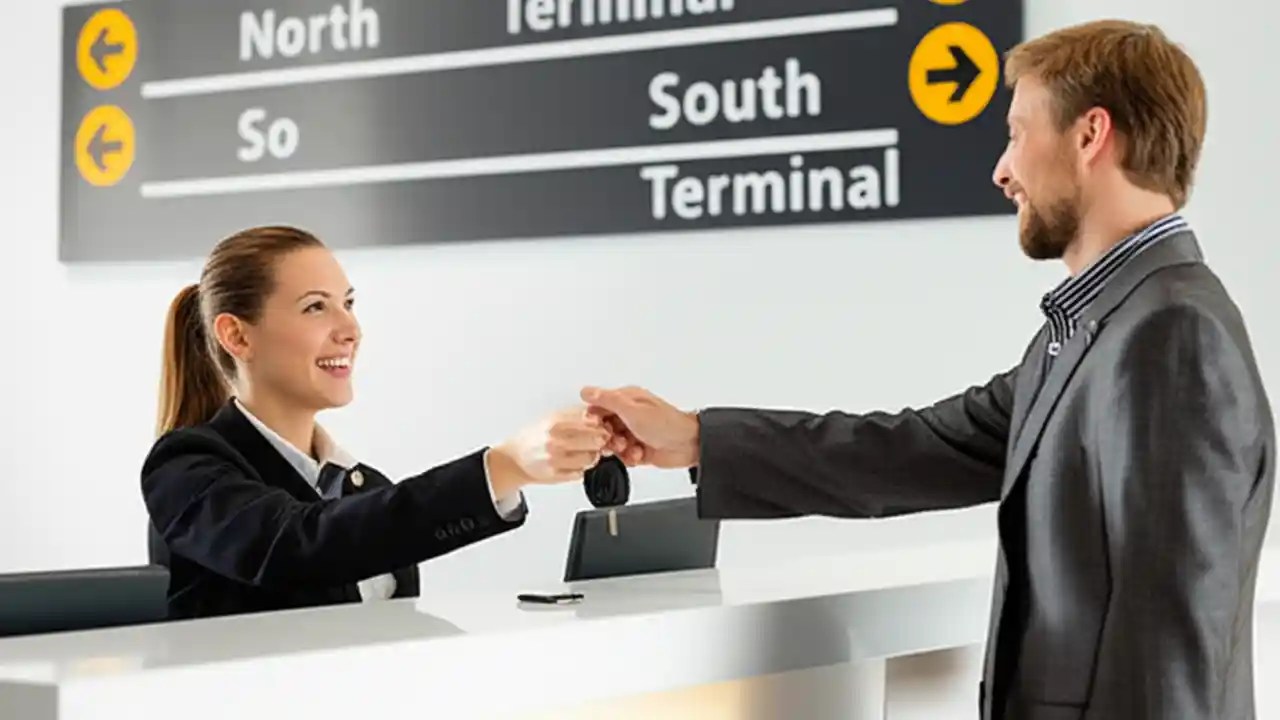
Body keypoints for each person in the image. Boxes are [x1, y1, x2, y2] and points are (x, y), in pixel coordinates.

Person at [581, 20, 1275, 720]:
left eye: (1017, 133)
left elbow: (1169, 654)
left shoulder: (1171, 337)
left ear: (1090, 135)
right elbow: (913, 449)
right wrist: (700, 439)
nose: (1002, 170)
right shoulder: (1097, 328)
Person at [142, 225, 609, 619]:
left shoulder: (361, 489)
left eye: (348, 303)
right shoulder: (186, 469)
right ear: (237, 335)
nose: (350, 329)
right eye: (315, 307)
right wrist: (502, 467)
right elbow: (300, 546)